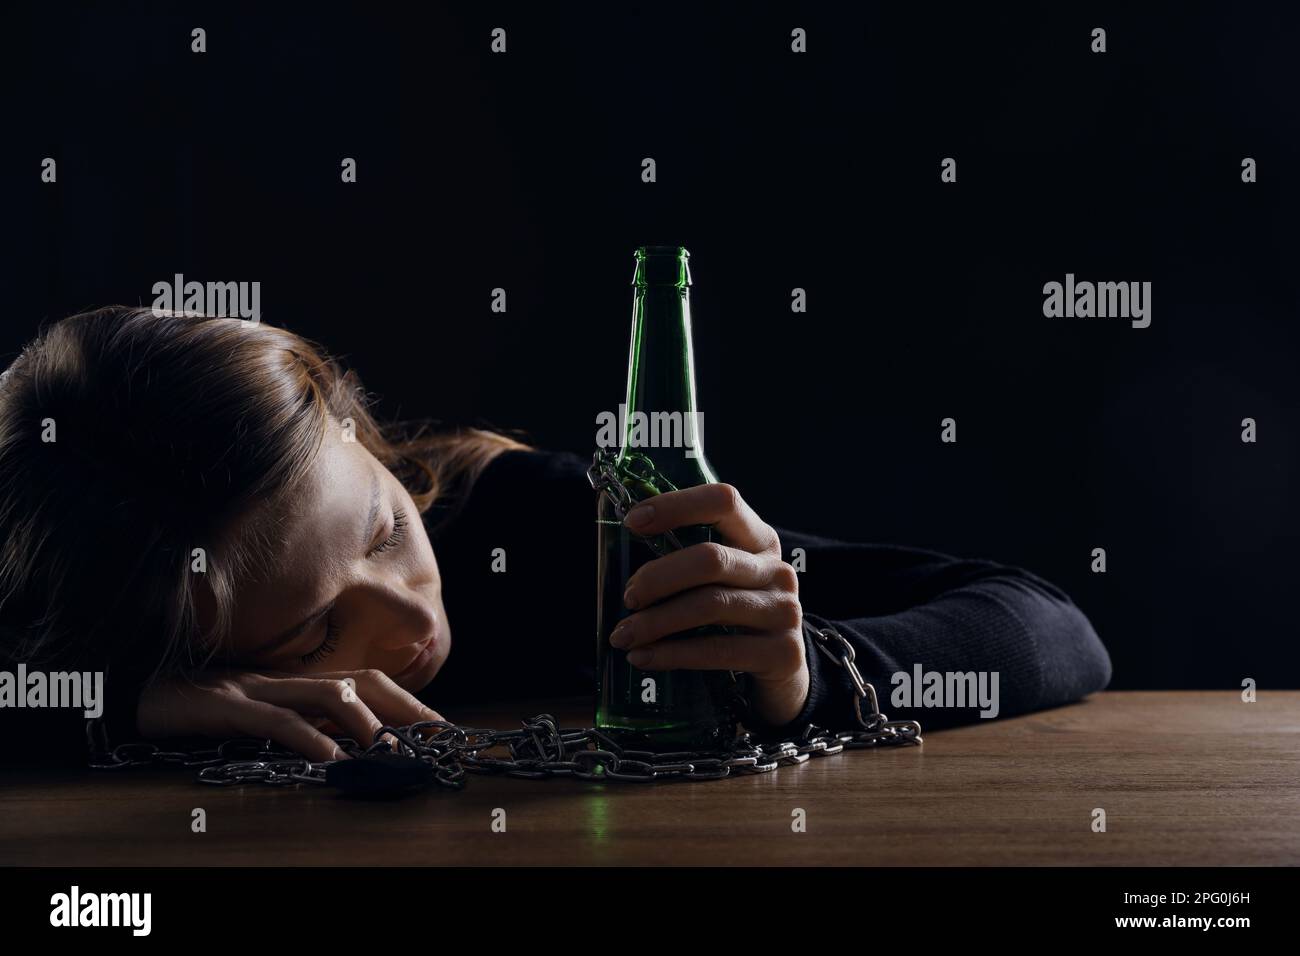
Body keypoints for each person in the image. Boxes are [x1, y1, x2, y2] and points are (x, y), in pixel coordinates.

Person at [0, 307, 1112, 766]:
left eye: (387, 528)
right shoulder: (87, 615)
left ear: (361, 429)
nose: (411, 616)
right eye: (309, 631)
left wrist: (810, 671)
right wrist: (118, 700)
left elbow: (1052, 623)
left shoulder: (548, 521)